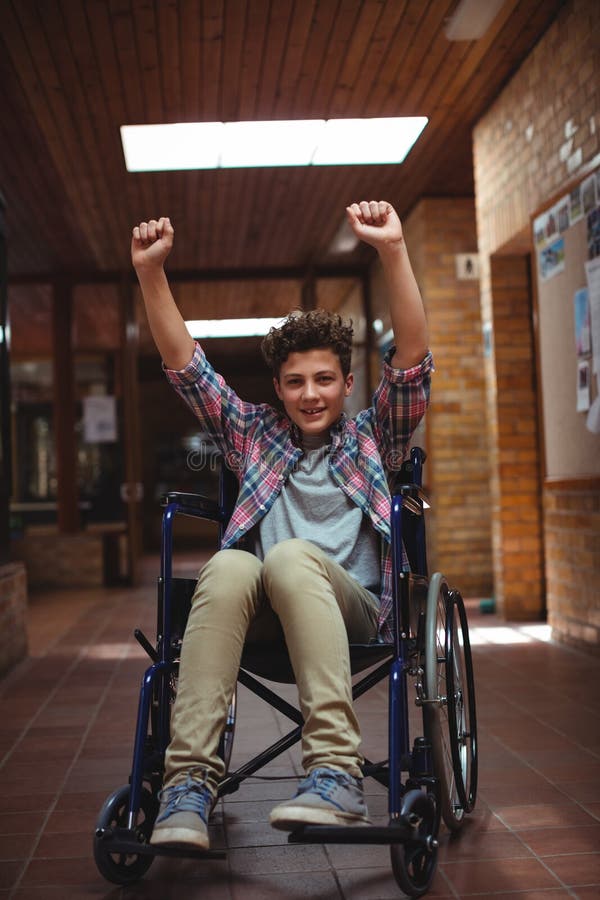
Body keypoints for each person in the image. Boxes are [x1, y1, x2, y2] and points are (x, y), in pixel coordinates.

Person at [131, 200, 432, 850]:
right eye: (295, 382)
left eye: (324, 379)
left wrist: (394, 250)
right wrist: (151, 272)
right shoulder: (254, 436)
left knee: (292, 557)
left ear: (348, 383)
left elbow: (411, 361)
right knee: (232, 563)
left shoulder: (373, 437)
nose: (310, 393)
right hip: (265, 609)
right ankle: (187, 787)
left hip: (350, 610)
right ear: (278, 389)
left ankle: (334, 773)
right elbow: (189, 370)